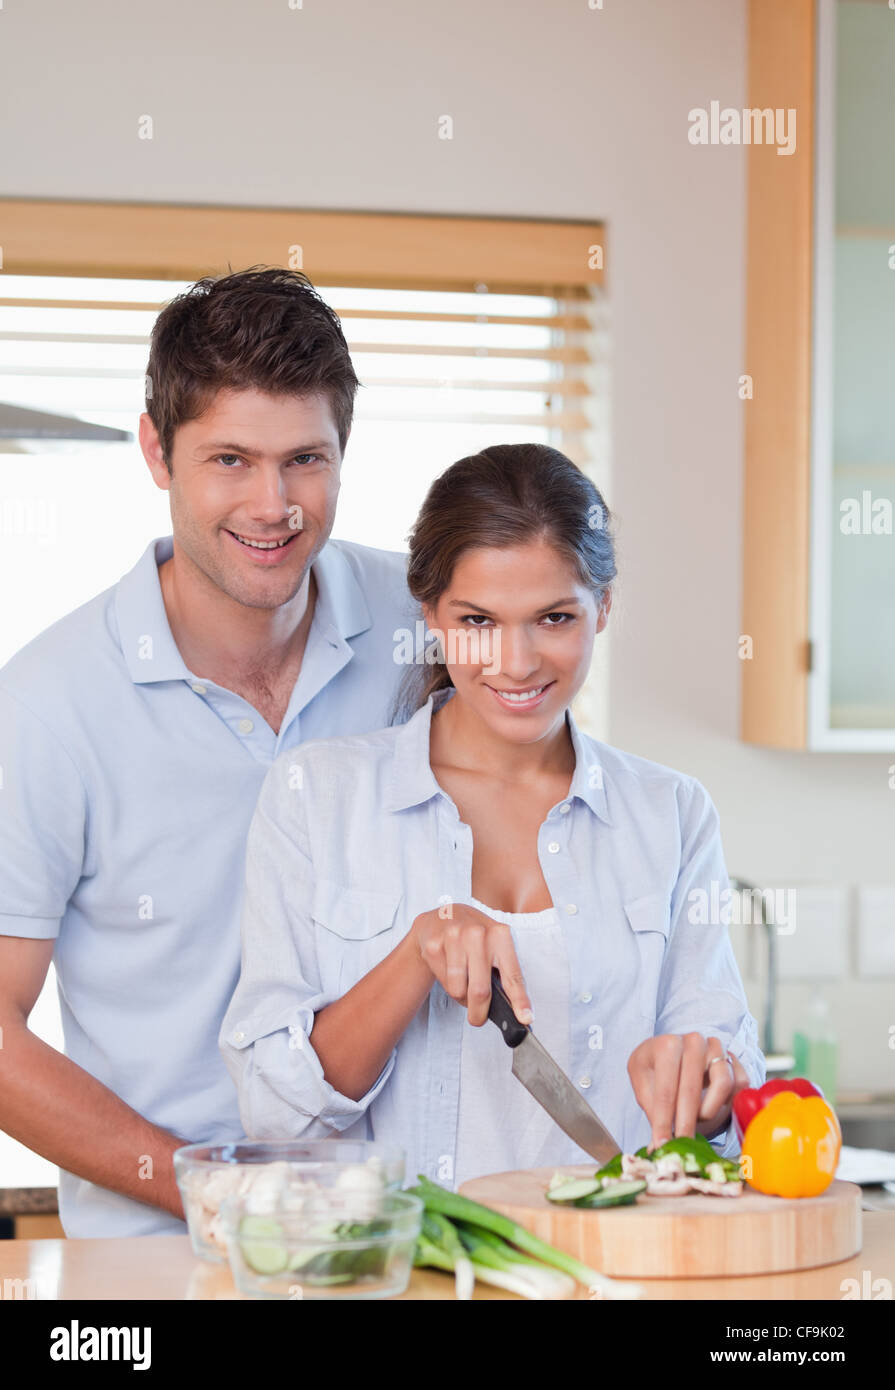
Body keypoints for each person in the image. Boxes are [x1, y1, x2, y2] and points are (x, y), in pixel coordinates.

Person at [220, 443, 766, 1187]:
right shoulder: (315, 797)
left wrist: (703, 1087)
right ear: (430, 615)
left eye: (552, 617)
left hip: (618, 1273)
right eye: (478, 618)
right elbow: (276, 1115)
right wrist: (415, 955)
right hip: (401, 1278)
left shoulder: (669, 813)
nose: (515, 662)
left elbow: (727, 1124)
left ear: (602, 608)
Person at [0, 267, 416, 1236]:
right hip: (160, 1257)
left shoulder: (427, 630)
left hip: (404, 1242)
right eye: (230, 459)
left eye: (304, 459)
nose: (273, 505)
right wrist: (212, 1193)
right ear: (157, 449)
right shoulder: (48, 707)